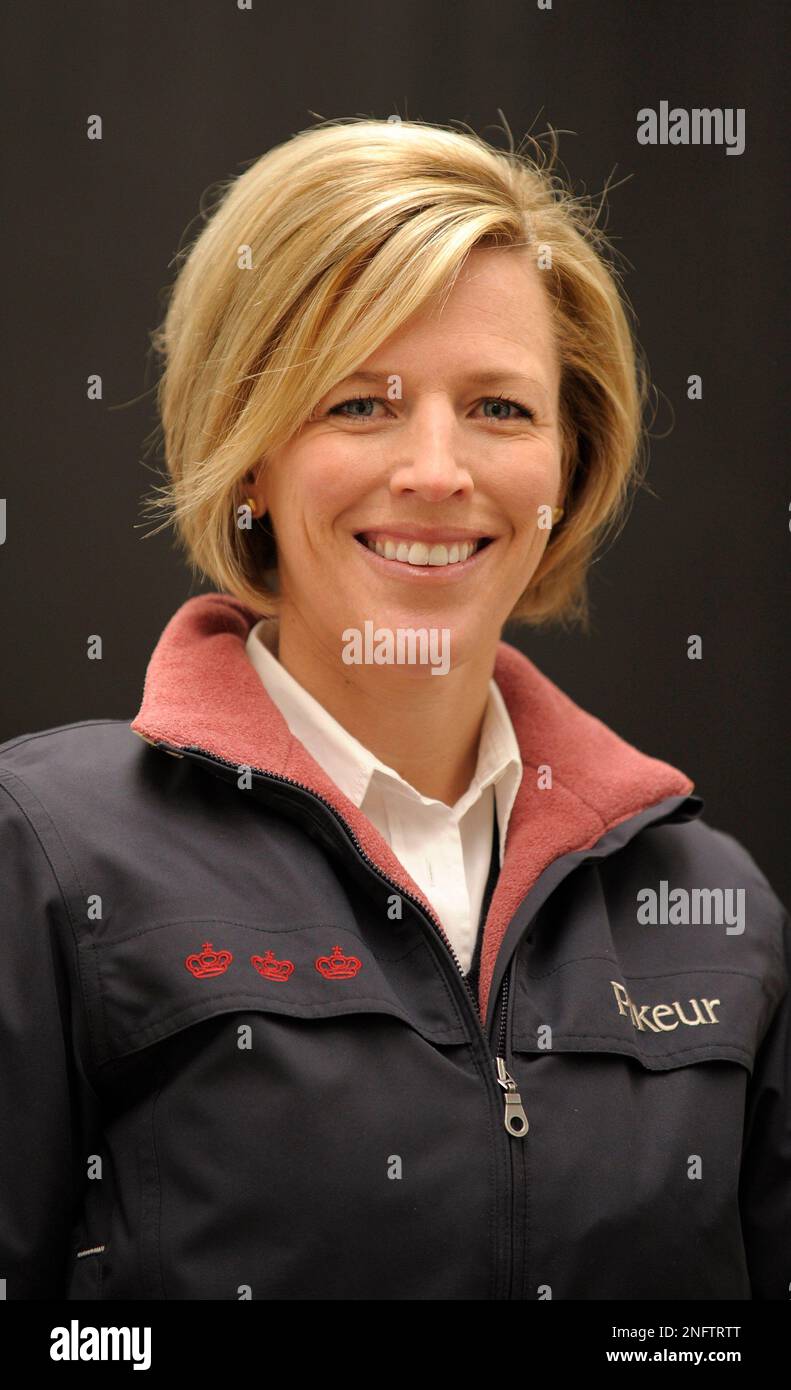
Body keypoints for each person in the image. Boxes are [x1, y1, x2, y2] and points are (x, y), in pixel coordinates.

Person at [0, 117, 788, 1301]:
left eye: (500, 409)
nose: (435, 468)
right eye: (361, 404)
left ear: (566, 467)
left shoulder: (715, 905)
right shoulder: (43, 855)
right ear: (250, 452)